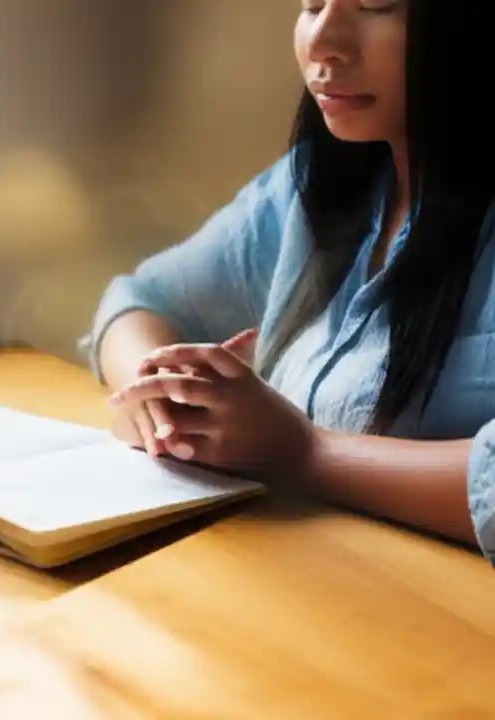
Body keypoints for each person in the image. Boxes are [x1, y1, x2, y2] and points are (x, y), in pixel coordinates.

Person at [87, 0, 495, 561]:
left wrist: (303, 452)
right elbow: (139, 301)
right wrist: (158, 394)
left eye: (375, 4)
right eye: (311, 4)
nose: (324, 41)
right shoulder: (315, 187)